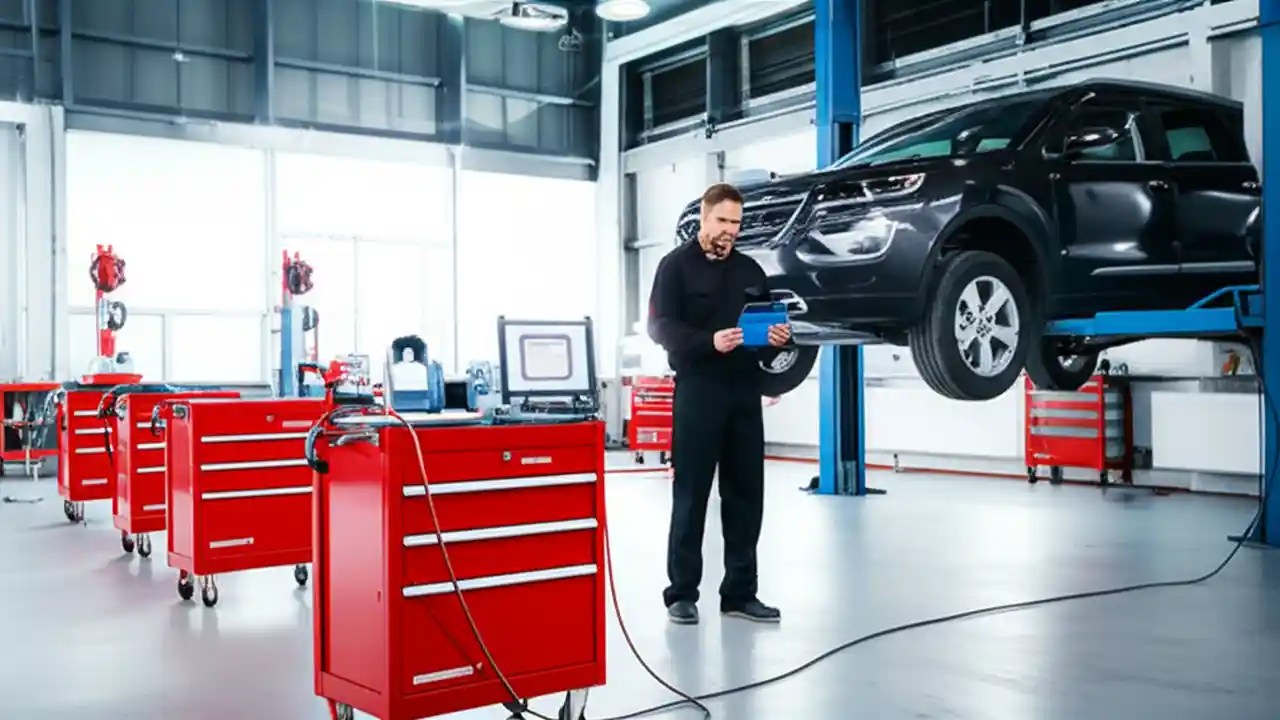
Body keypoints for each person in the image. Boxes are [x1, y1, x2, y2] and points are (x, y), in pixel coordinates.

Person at [646, 182, 791, 625]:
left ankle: (740, 593)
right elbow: (659, 327)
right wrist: (707, 341)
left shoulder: (751, 271)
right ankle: (682, 593)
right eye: (723, 220)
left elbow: (764, 329)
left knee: (746, 494)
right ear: (704, 219)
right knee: (691, 493)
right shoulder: (675, 267)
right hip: (698, 389)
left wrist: (776, 341)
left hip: (744, 392)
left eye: (737, 223)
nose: (730, 230)